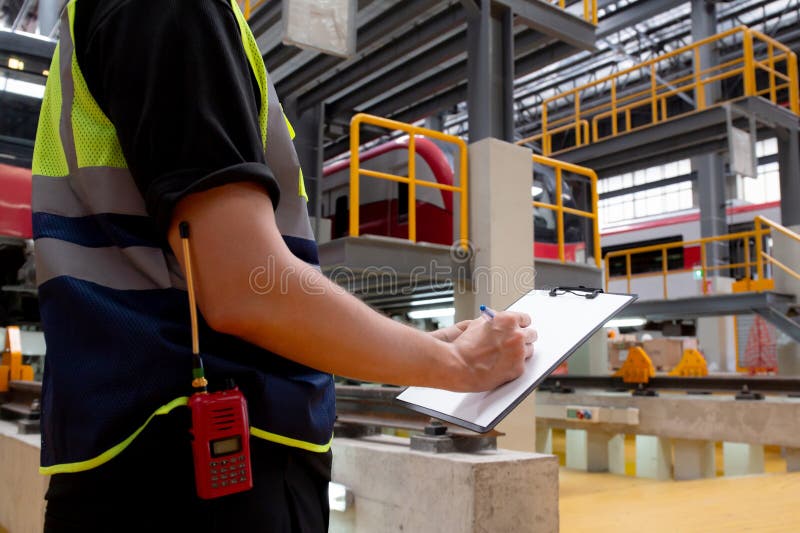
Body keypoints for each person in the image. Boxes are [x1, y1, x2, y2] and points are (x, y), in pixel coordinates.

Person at [31, 1, 536, 531]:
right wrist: (459, 368)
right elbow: (247, 289)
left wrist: (435, 347)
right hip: (201, 475)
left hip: (132, 461)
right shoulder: (171, 11)